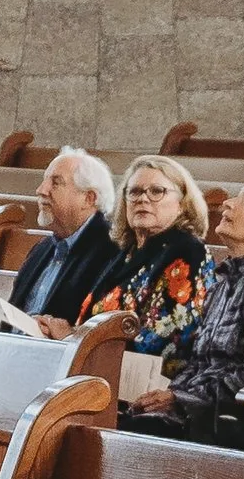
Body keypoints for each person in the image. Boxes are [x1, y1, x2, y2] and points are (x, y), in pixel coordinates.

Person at [124, 172, 244, 447]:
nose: (228, 204)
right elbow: (200, 363)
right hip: (198, 413)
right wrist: (169, 395)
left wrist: (181, 400)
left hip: (231, 422)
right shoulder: (224, 284)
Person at [82, 156, 214, 383]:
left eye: (156, 191)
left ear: (182, 203)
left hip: (147, 388)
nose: (143, 199)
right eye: (134, 192)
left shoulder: (188, 252)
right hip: (101, 374)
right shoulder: (126, 253)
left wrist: (83, 346)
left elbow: (160, 342)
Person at [3, 146, 120, 334]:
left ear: (89, 199)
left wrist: (68, 335)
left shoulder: (112, 251)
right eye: (44, 181)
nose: (41, 190)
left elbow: (101, 330)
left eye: (56, 183)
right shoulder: (41, 249)